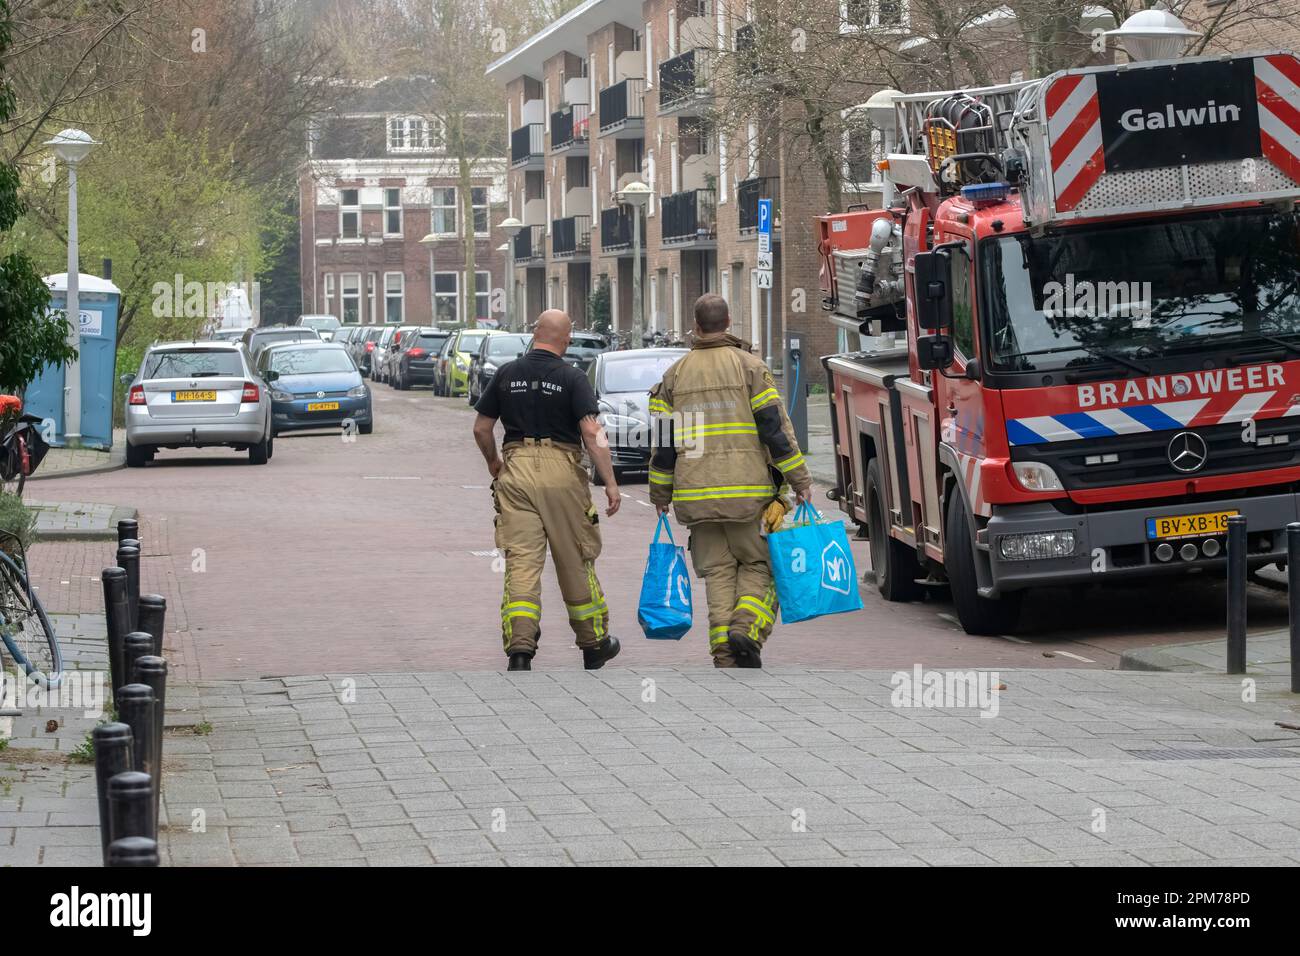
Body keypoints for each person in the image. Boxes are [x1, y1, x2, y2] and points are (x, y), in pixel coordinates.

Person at [647, 294, 813, 668]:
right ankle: (747, 629)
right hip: (749, 499)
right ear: (728, 323)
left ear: (695, 325)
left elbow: (663, 446)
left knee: (718, 575)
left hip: (696, 502)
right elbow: (775, 431)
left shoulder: (673, 377)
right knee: (762, 567)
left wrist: (660, 493)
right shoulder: (750, 368)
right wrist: (799, 480)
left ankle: (724, 653)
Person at [472, 310, 622, 672]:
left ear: (534, 332)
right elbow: (591, 432)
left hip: (516, 468)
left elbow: (481, 428)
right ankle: (593, 644)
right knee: (574, 560)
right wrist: (611, 481)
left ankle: (520, 649)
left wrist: (494, 462)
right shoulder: (571, 377)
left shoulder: (507, 374)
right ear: (567, 339)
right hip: (563, 472)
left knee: (522, 563)